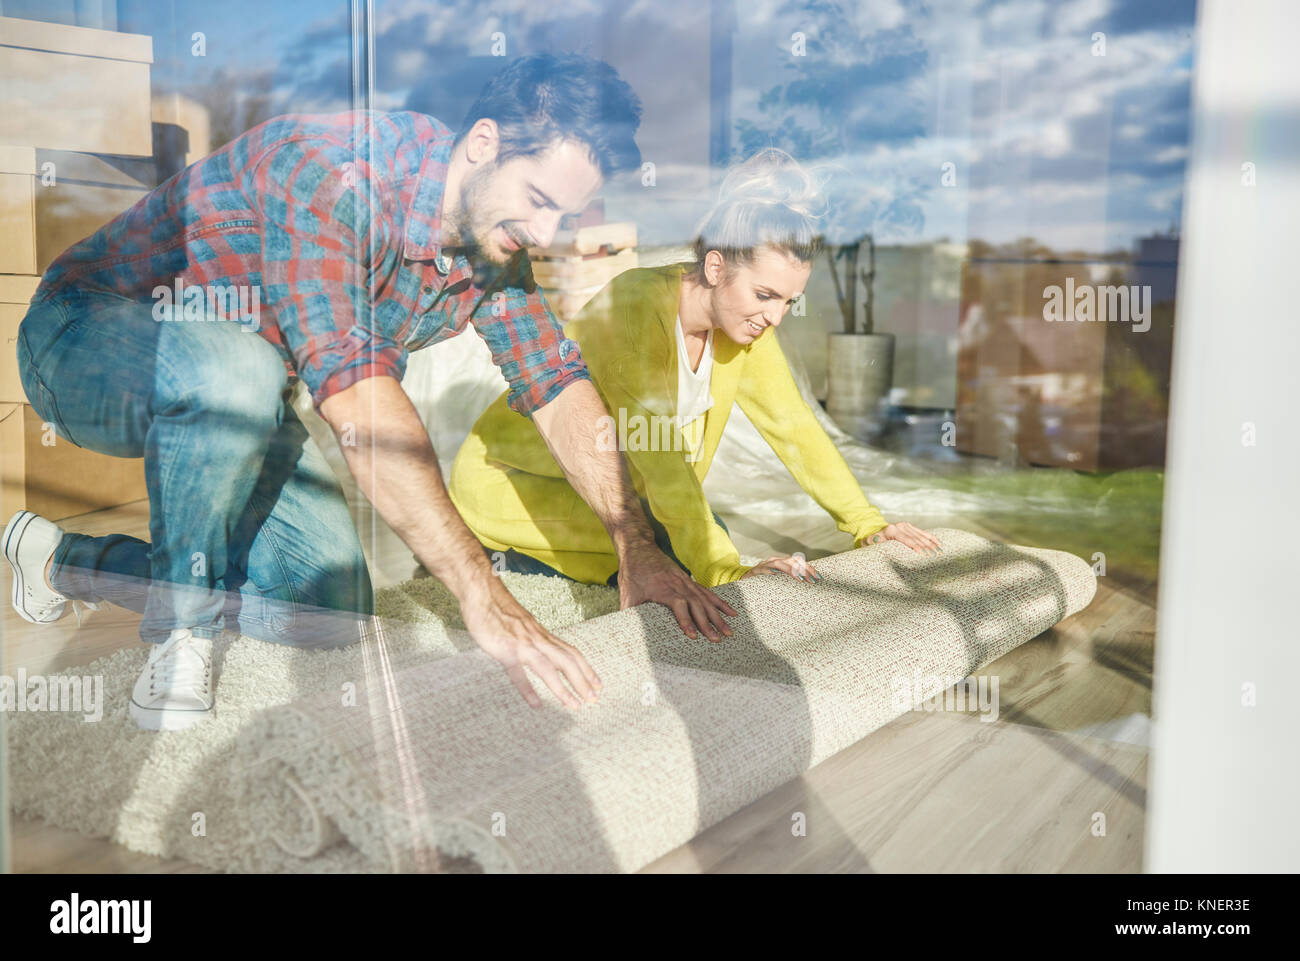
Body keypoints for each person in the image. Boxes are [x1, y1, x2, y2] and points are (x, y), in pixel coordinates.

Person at [2, 53, 736, 731]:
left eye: (563, 216)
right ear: (482, 143)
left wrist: (634, 544)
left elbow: (557, 384)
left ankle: (59, 559)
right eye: (539, 199)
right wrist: (481, 593)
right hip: (84, 335)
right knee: (241, 370)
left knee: (325, 612)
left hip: (240, 395)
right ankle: (181, 631)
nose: (545, 233)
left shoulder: (489, 248)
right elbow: (360, 402)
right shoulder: (331, 173)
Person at [449, 148, 941, 590]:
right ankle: (490, 549)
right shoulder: (635, 306)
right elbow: (658, 450)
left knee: (697, 535)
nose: (774, 316)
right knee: (683, 549)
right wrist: (723, 570)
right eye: (764, 295)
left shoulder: (744, 329)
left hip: (614, 490)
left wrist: (868, 525)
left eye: (789, 301)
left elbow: (795, 428)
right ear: (714, 268)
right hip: (510, 481)